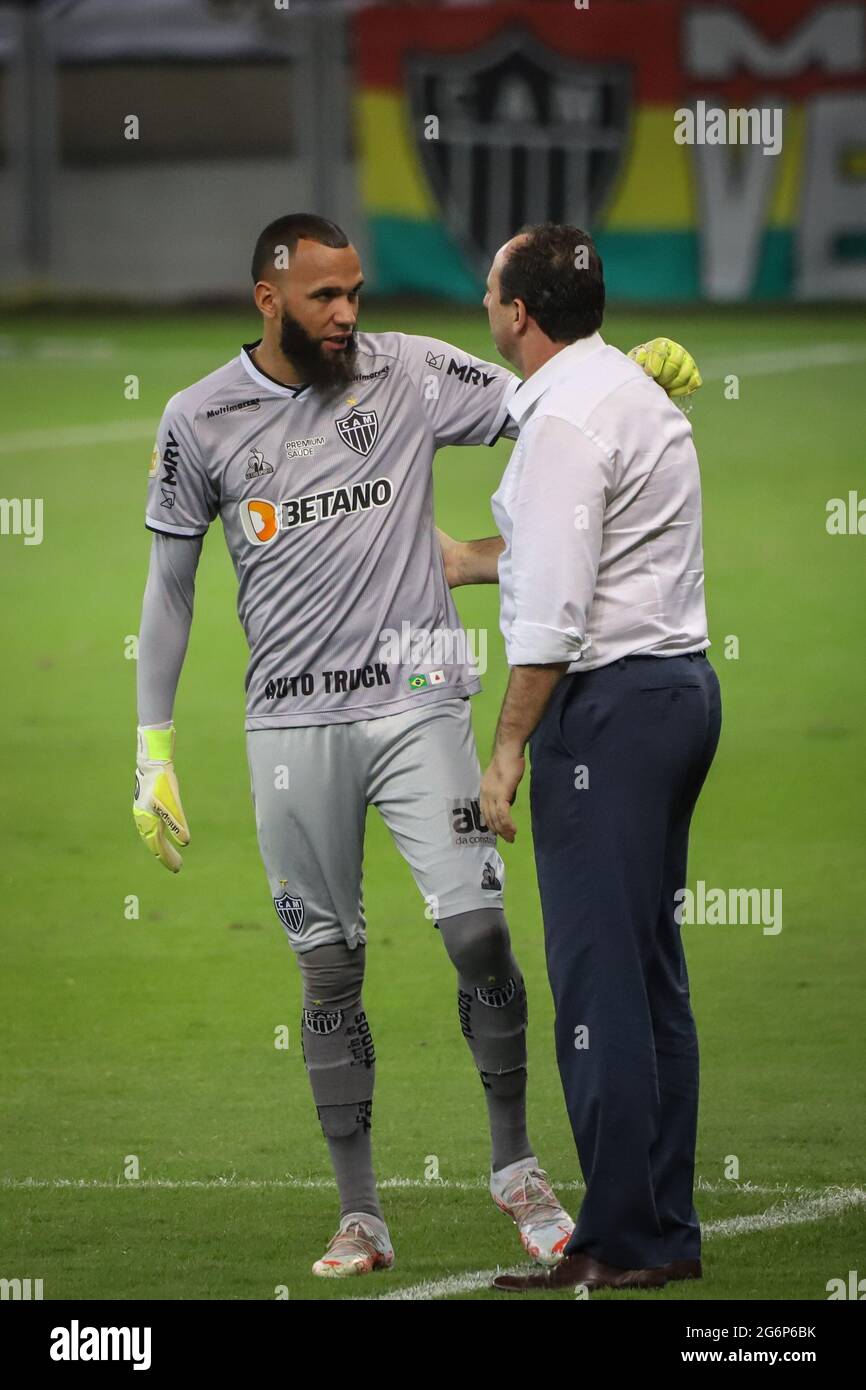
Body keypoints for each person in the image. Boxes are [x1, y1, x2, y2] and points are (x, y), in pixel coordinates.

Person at [132, 211, 699, 1279]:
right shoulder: (196, 420)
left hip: (418, 700)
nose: (348, 315)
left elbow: (552, 406)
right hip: (289, 727)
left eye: (355, 292)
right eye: (324, 298)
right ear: (269, 300)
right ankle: (360, 1214)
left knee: (479, 934)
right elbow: (168, 592)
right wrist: (150, 745)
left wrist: (632, 376)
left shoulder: (409, 374)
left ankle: (516, 1170)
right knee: (328, 967)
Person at [443, 223, 720, 1293]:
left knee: (599, 987)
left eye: (488, 290)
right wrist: (458, 558)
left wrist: (506, 746)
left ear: (515, 313)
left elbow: (553, 619)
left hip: (607, 712)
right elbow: (568, 546)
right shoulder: (619, 388)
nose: (483, 303)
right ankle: (658, 1229)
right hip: (674, 692)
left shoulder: (557, 419)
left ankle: (617, 1242)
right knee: (648, 980)